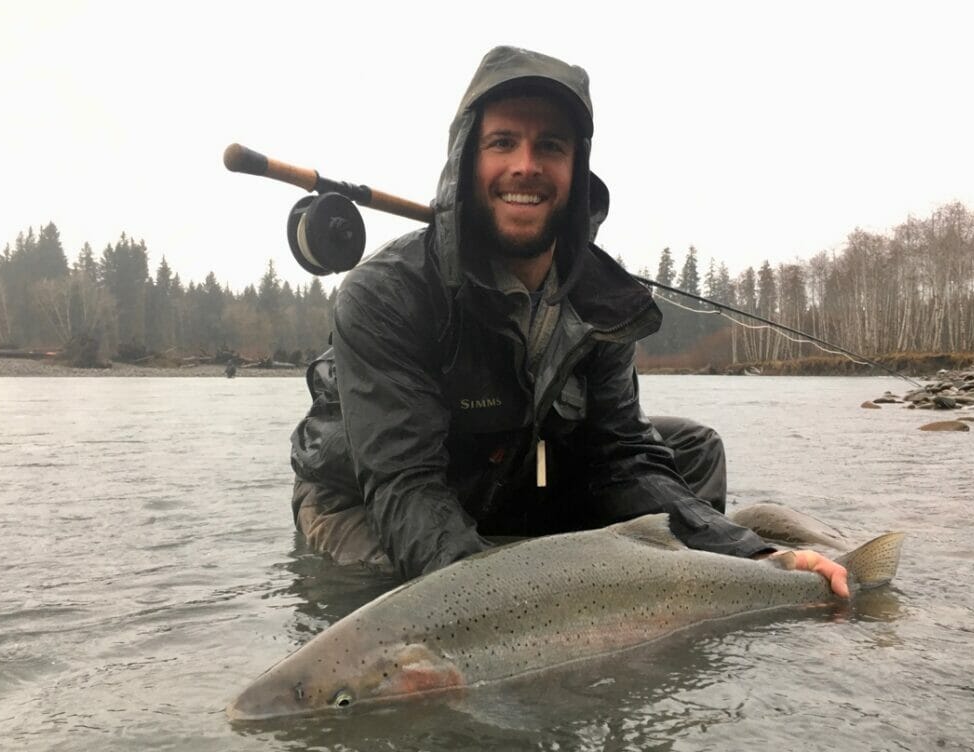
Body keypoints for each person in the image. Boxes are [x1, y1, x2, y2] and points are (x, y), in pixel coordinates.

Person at [289, 46, 848, 596]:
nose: (525, 165)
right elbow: (405, 484)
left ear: (576, 169)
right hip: (369, 499)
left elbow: (621, 457)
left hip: (509, 473)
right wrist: (498, 606)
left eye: (549, 146)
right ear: (466, 160)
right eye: (502, 142)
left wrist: (758, 556)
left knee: (691, 448)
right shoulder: (385, 294)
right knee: (396, 605)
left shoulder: (599, 299)